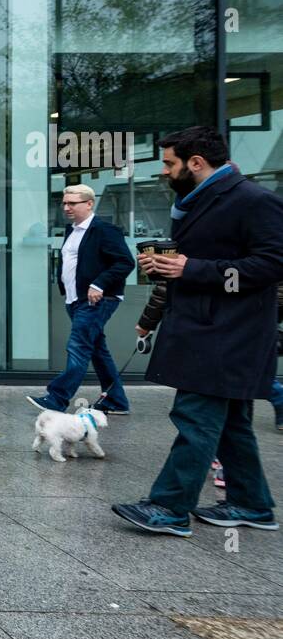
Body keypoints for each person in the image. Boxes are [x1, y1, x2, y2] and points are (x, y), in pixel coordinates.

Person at [113, 126, 283, 536]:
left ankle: (170, 508)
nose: (166, 172)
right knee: (232, 424)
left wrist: (193, 269)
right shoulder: (200, 201)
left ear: (196, 162)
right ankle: (251, 504)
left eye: (170, 163)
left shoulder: (254, 201)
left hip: (228, 333)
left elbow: (273, 265)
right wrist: (174, 268)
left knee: (196, 417)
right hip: (210, 328)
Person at [136, 280, 283, 489]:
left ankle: (170, 502)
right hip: (225, 325)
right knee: (232, 417)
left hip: (229, 328)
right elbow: (167, 283)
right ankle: (250, 502)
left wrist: (264, 315)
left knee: (204, 414)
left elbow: (258, 270)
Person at [28, 184, 135, 415]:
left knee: (78, 346)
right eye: (64, 203)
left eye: (72, 203)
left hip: (98, 299)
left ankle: (57, 398)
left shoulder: (105, 230)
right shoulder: (72, 230)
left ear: (89, 203)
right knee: (97, 349)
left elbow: (125, 262)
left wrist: (99, 283)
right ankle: (116, 400)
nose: (66, 207)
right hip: (75, 300)